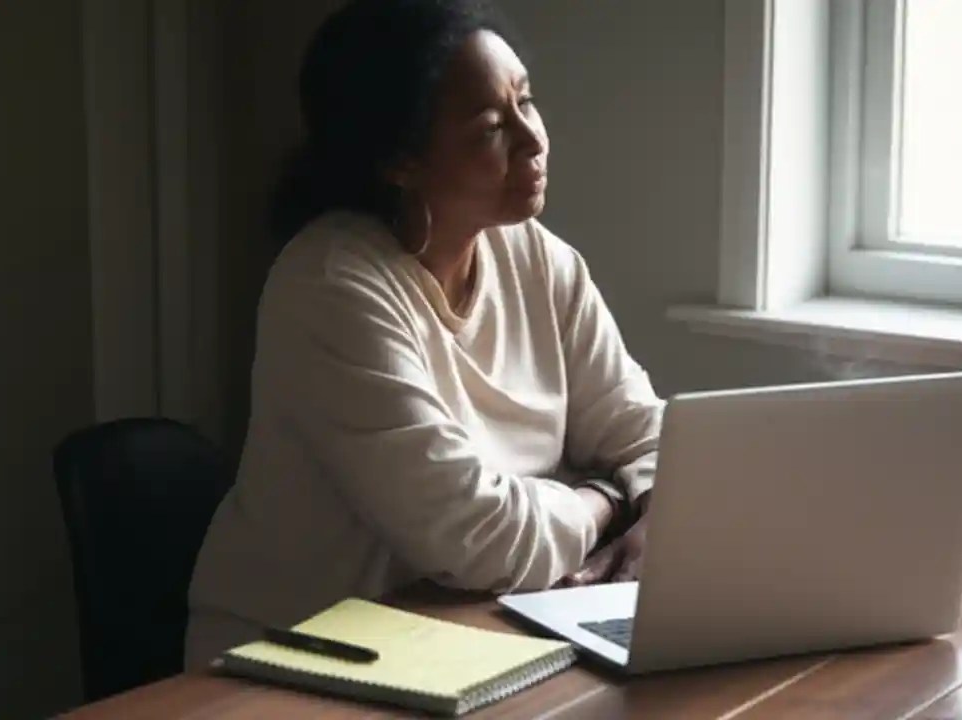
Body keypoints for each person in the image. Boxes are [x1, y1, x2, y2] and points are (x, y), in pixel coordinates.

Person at [185, 0, 663, 668]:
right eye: (492, 125)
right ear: (399, 159)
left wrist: (654, 511)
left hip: (469, 635)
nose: (532, 139)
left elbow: (646, 431)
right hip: (301, 655)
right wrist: (605, 500)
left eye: (527, 101)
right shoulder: (330, 287)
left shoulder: (539, 260)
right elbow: (475, 536)